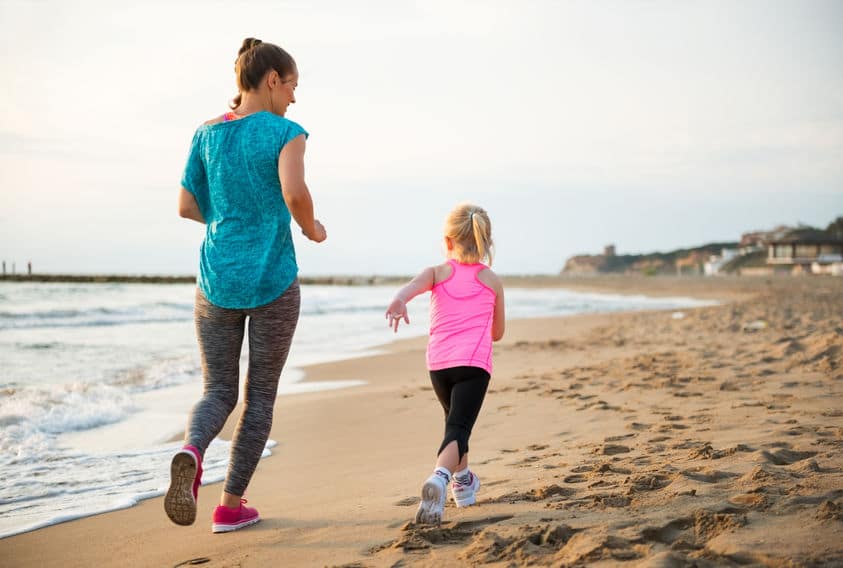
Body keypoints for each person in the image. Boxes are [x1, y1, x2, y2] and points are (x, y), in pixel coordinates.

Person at [165, 37, 327, 534]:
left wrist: (230, 222)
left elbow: (186, 205)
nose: (295, 98)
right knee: (259, 397)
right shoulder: (285, 132)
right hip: (273, 278)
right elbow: (294, 192)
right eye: (293, 86)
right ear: (273, 80)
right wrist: (311, 227)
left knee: (217, 389)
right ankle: (229, 506)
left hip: (215, 280)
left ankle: (193, 449)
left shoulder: (206, 133)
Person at [385, 203, 505, 525]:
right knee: (458, 427)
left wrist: (398, 301)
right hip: (474, 366)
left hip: (439, 365)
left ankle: (463, 484)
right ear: (484, 242)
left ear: (448, 241)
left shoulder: (436, 273)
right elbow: (498, 333)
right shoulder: (491, 280)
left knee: (455, 424)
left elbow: (408, 290)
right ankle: (439, 478)